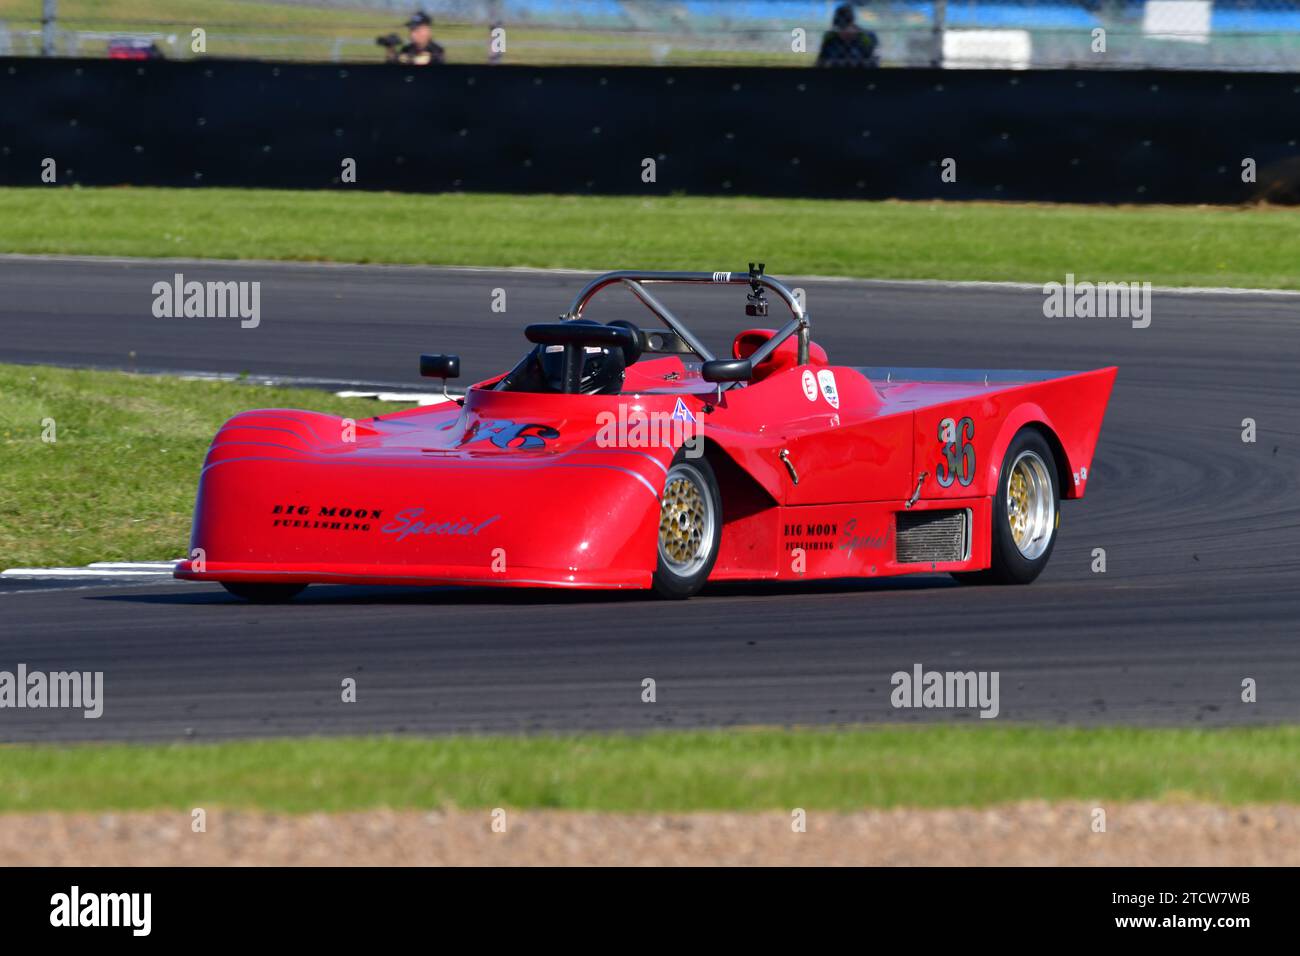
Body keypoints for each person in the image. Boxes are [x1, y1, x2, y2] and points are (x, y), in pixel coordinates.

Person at [816, 3, 879, 68]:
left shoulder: (867, 37)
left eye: (844, 27)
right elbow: (820, 61)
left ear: (852, 23)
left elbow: (874, 61)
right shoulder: (830, 38)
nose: (841, 32)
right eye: (838, 28)